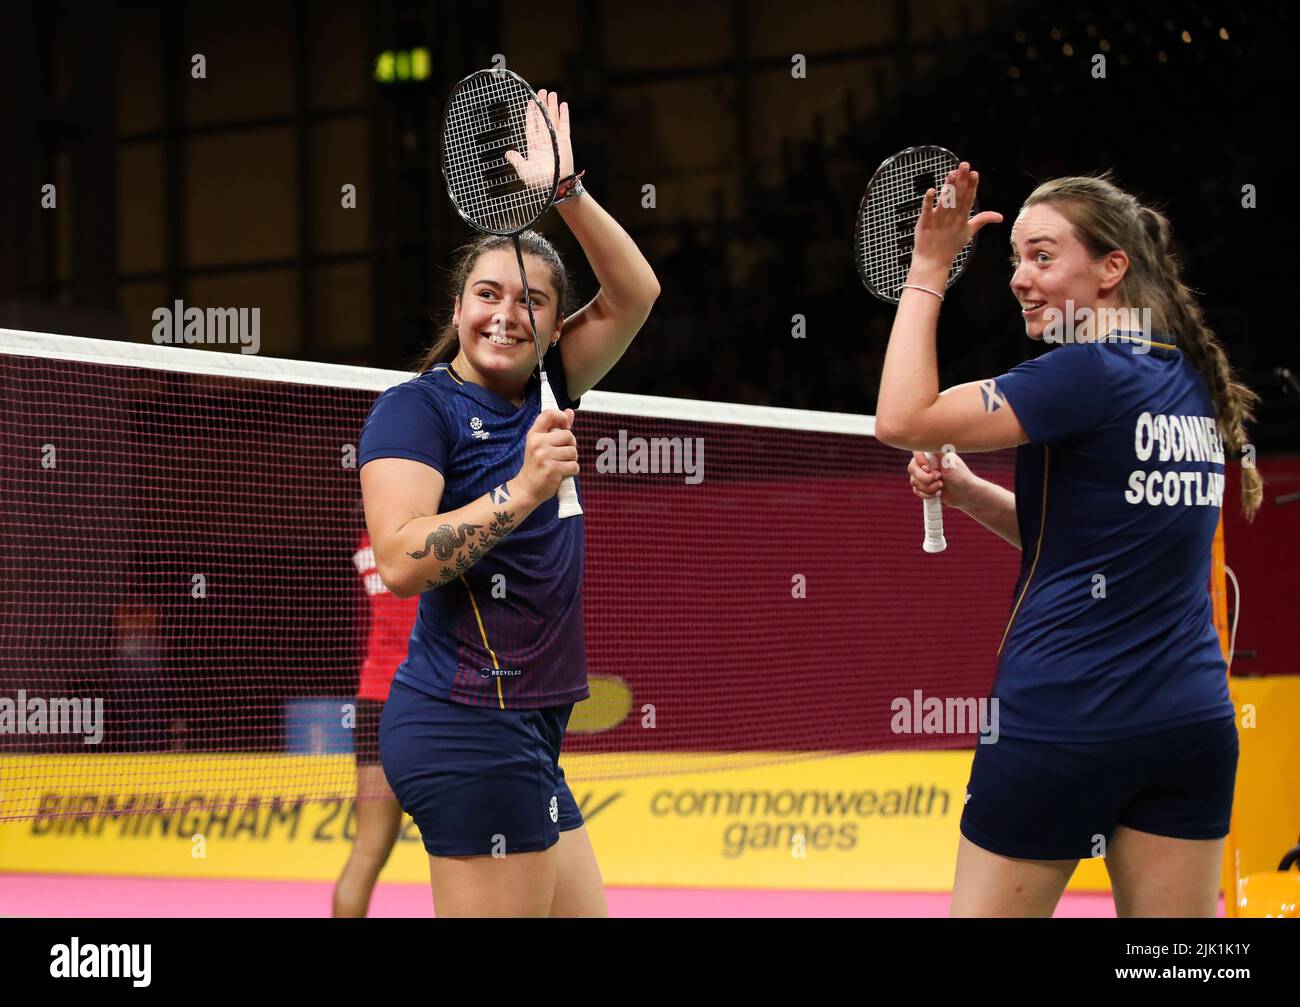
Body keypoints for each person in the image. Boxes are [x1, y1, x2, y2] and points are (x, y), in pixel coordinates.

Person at [875, 164, 1260, 917]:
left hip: (1063, 719)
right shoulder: (1187, 380)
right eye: (1016, 258)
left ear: (1113, 267)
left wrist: (926, 272)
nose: (1019, 278)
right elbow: (1094, 543)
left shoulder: (1082, 373)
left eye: (1043, 256)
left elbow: (900, 418)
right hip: (1189, 724)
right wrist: (968, 490)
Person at [358, 88, 659, 917]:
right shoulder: (416, 411)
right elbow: (399, 559)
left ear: (556, 326)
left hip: (531, 726)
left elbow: (636, 293)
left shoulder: (552, 384)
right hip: (464, 723)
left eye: (532, 300)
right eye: (488, 293)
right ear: (457, 309)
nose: (506, 313)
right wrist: (523, 489)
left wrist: (568, 193)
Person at [331, 522, 419, 918]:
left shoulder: (369, 544)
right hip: (429, 697)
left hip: (374, 698)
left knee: (368, 849)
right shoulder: (428, 540)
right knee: (464, 846)